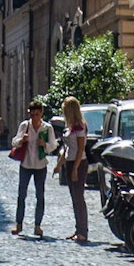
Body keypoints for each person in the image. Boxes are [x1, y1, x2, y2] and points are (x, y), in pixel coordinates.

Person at [10, 100, 57, 238]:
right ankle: (19, 224)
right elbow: (14, 141)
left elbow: (53, 145)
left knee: (40, 195)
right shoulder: (24, 126)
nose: (35, 118)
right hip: (26, 164)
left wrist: (45, 145)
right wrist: (21, 140)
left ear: (41, 113)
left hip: (40, 165)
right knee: (21, 194)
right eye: (32, 115)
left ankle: (38, 225)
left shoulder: (47, 128)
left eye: (37, 114)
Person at [59, 95, 90, 243]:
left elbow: (80, 148)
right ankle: (78, 228)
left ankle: (83, 231)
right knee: (74, 198)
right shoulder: (70, 126)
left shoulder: (79, 126)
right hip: (70, 162)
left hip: (79, 163)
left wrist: (75, 168)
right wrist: (60, 163)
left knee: (79, 198)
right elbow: (67, 147)